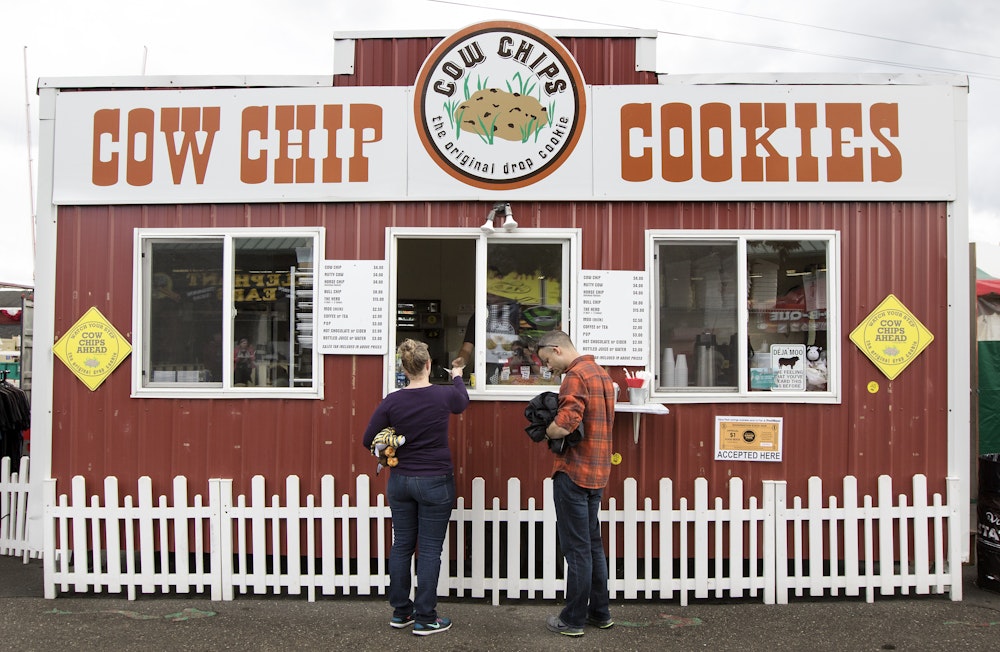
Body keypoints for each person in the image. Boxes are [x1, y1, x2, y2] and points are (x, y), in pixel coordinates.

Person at [362, 338, 469, 636]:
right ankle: (425, 618)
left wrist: (388, 449)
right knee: (430, 549)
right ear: (428, 364)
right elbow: (462, 402)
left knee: (401, 546)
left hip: (400, 481)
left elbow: (367, 438)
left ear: (404, 369)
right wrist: (457, 377)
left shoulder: (392, 401)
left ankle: (401, 612)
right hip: (435, 480)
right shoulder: (443, 396)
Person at [534, 330, 616, 637]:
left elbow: (567, 421)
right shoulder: (601, 374)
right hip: (597, 472)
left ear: (557, 349)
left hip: (573, 471)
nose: (548, 368)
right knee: (593, 546)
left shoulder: (574, 376)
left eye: (547, 361)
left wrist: (545, 431)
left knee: (576, 549)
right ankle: (600, 612)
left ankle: (572, 619)